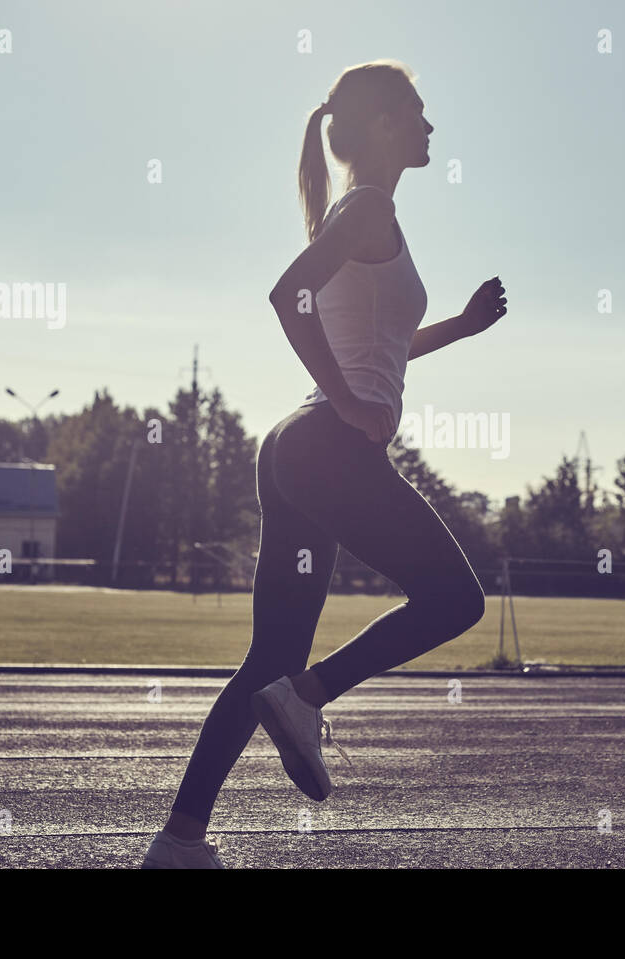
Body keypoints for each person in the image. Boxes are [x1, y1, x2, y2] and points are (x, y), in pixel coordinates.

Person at [142, 59, 508, 868]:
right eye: (418, 111)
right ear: (382, 123)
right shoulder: (369, 206)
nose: (430, 127)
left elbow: (385, 344)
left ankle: (179, 841)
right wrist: (347, 404)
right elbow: (288, 294)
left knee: (268, 658)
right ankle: (309, 698)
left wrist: (462, 326)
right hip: (327, 446)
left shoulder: (364, 214)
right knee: (456, 597)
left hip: (295, 449)